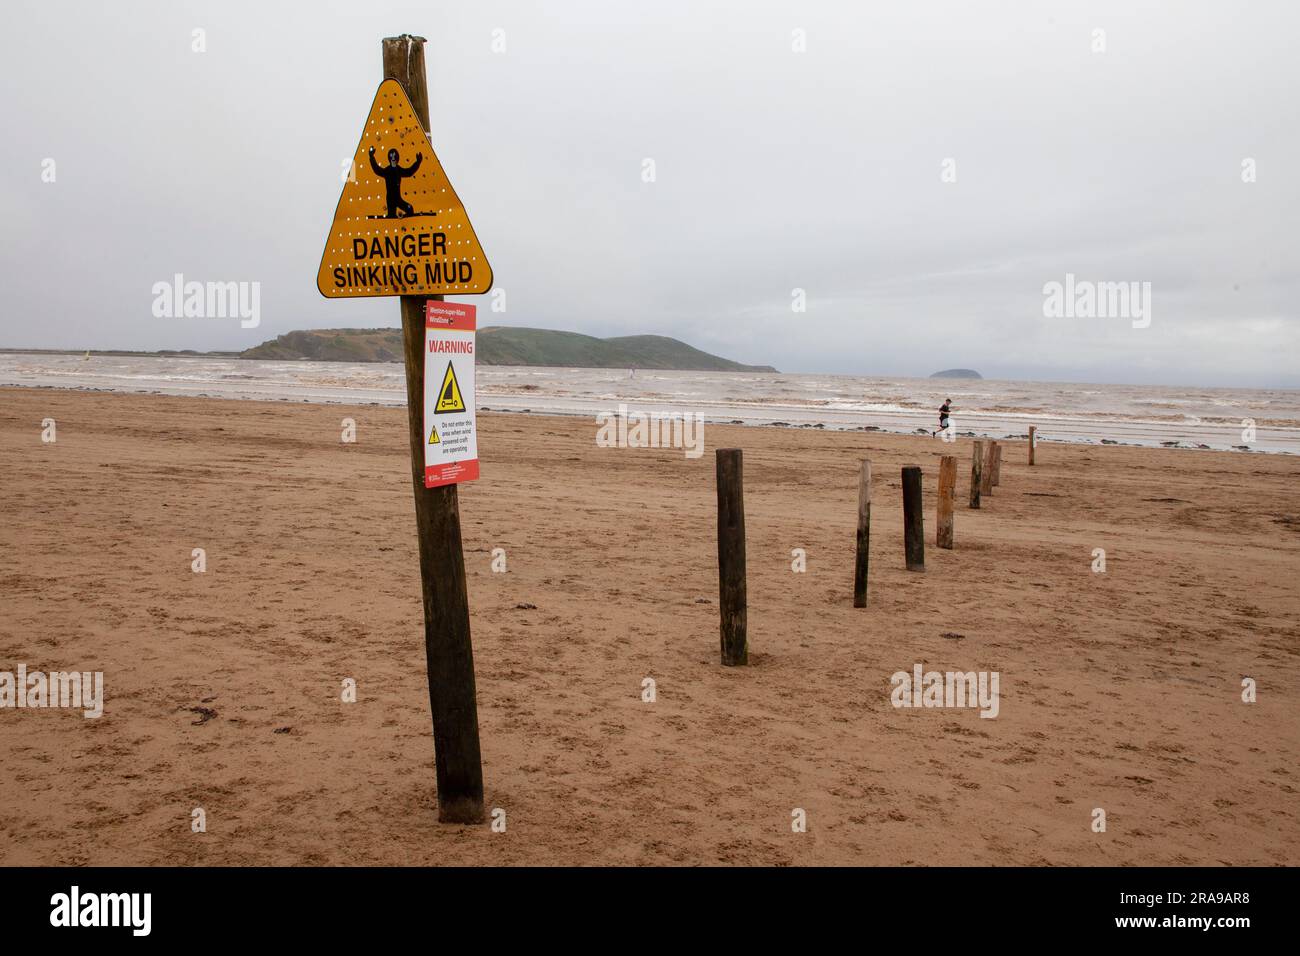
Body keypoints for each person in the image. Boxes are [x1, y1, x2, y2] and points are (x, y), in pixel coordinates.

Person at [368, 146, 423, 218]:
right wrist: (371, 157)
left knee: (410, 209)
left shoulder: (399, 170)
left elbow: (409, 172)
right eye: (391, 156)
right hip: (390, 200)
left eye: (395, 156)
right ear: (389, 158)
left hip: (398, 199)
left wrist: (418, 162)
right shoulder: (387, 171)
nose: (393, 158)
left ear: (397, 158)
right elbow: (377, 169)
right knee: (391, 217)